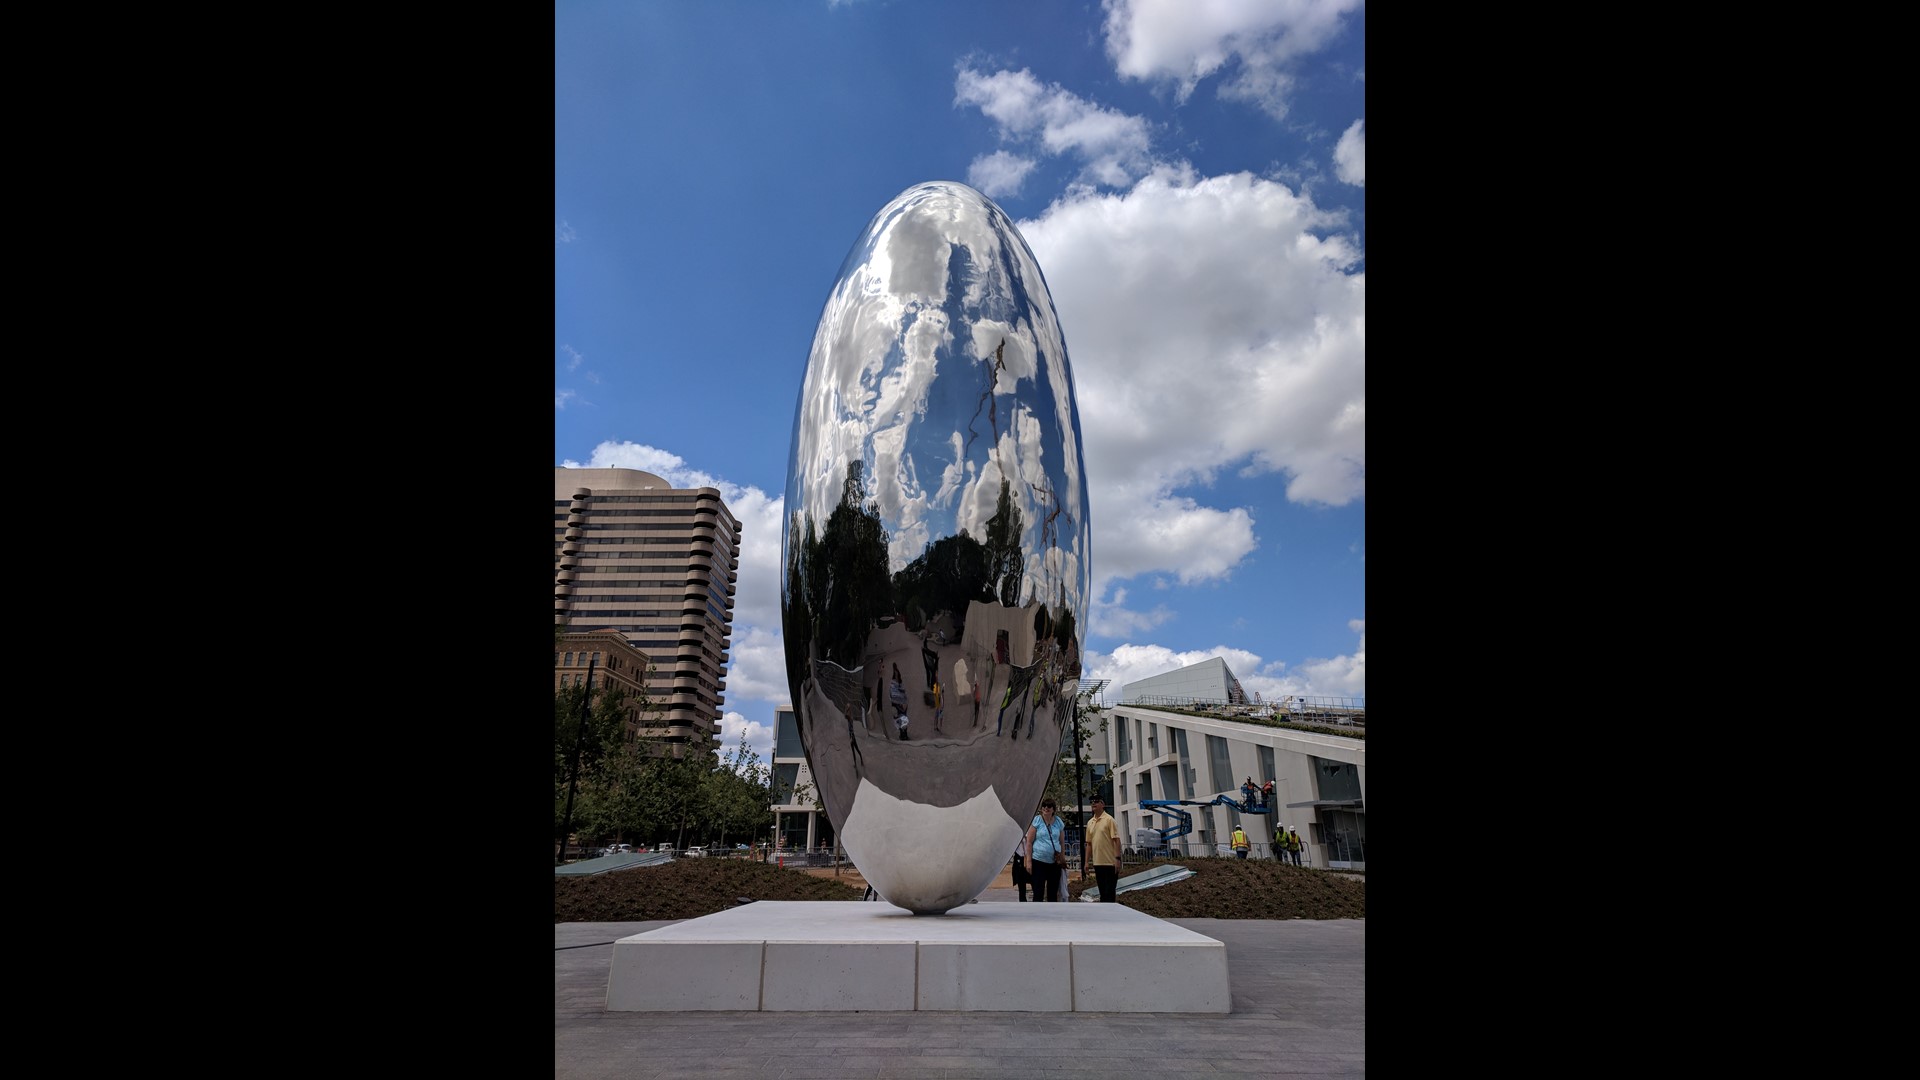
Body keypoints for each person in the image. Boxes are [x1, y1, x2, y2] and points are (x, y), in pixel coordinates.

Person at [1024, 798, 1066, 902]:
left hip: (1054, 862)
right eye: (1044, 806)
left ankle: (1052, 915)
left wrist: (1062, 858)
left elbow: (1061, 842)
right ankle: (1037, 915)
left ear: (1053, 809)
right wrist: (1028, 861)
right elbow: (1029, 842)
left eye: (1049, 806)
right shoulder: (1037, 820)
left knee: (1053, 892)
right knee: (1038, 891)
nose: (1046, 808)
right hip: (1038, 861)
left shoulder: (1058, 822)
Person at [1086, 796, 1120, 902]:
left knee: (1109, 892)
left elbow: (1116, 840)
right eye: (1092, 802)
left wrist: (1117, 858)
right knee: (1102, 893)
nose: (1093, 804)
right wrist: (1086, 862)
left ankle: (1111, 915)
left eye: (1096, 801)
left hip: (1110, 863)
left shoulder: (1109, 820)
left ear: (1103, 804)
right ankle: (1104, 916)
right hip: (1098, 863)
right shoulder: (1090, 822)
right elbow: (1089, 844)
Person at [889, 664, 910, 739]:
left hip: (903, 704)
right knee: (900, 719)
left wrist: (905, 703)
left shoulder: (900, 683)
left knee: (905, 719)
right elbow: (893, 694)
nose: (897, 676)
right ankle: (902, 735)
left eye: (897, 674)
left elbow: (903, 693)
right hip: (897, 704)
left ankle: (905, 734)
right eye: (895, 674)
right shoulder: (892, 683)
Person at [1010, 834, 1031, 901]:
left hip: (1030, 857)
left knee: (1034, 881)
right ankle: (1022, 901)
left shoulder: (1029, 831)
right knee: (1021, 884)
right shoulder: (1015, 835)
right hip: (1019, 858)